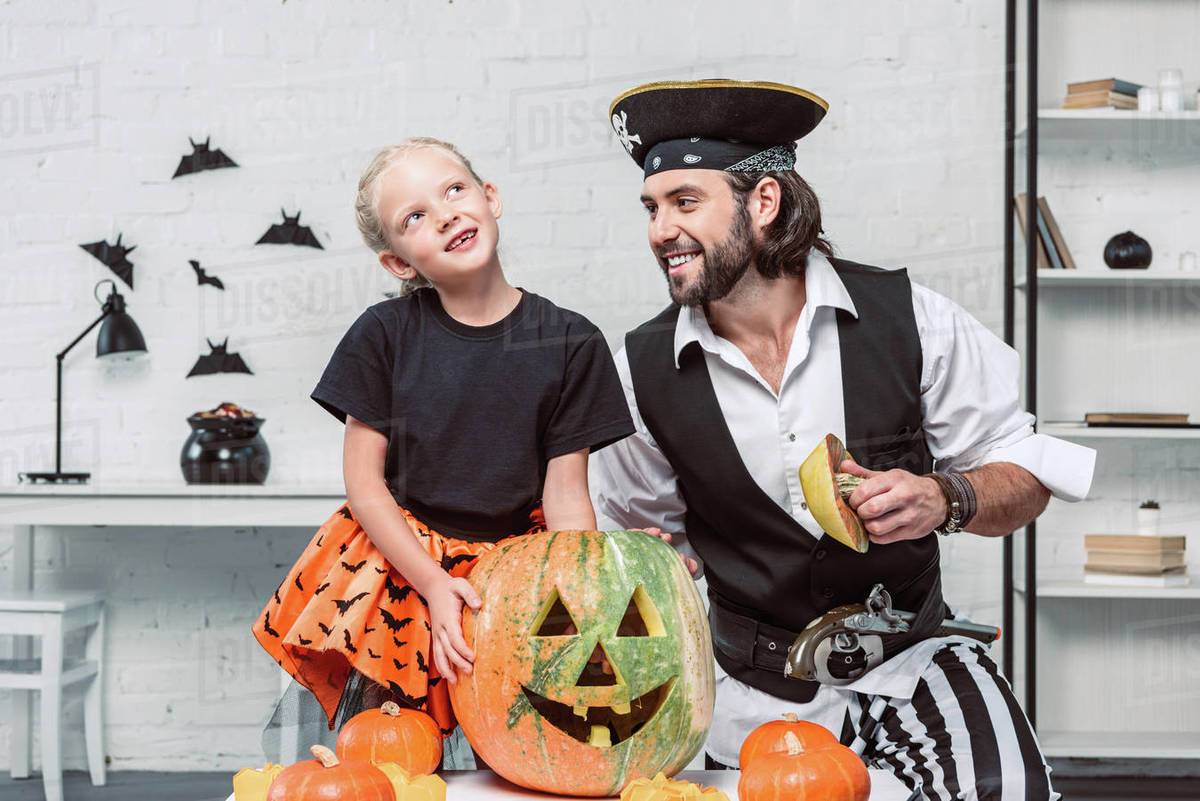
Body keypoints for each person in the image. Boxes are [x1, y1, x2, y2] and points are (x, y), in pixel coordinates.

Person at [591, 80, 1096, 800]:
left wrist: (947, 497)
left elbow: (1025, 477)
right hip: (744, 687)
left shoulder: (911, 319)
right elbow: (639, 552)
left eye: (685, 202)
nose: (659, 230)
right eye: (651, 207)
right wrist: (651, 564)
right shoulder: (638, 375)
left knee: (1009, 787)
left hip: (916, 659)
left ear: (762, 202)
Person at [252, 137, 634, 742]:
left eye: (454, 190)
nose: (447, 213)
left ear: (490, 197)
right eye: (415, 217)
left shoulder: (571, 342)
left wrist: (578, 593)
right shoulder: (384, 335)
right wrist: (432, 583)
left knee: (525, 749)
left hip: (511, 577)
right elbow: (364, 485)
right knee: (392, 750)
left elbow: (566, 496)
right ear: (400, 263)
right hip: (401, 569)